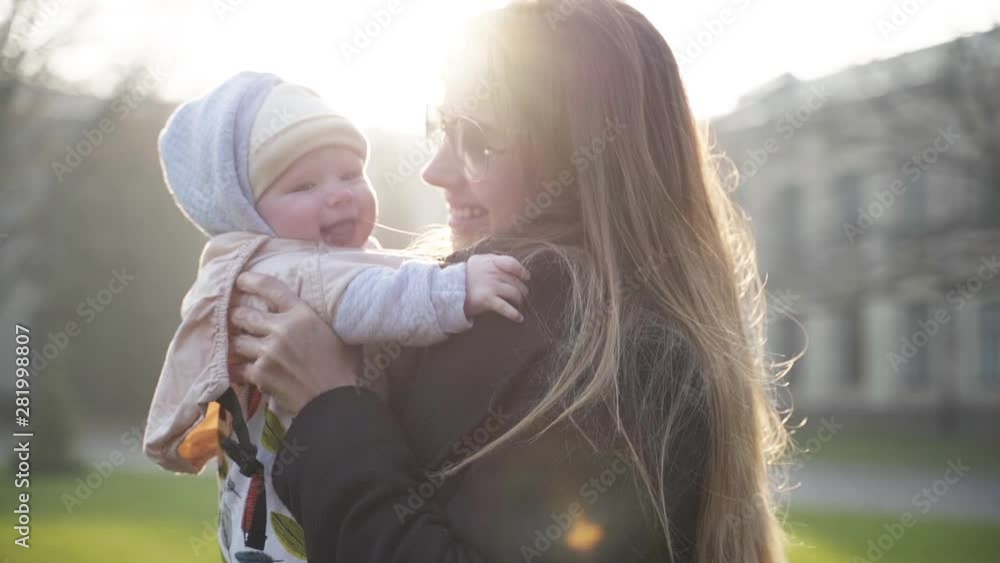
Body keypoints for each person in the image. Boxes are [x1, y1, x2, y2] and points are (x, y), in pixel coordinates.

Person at [229, 1, 792, 562]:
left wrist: (328, 407)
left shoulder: (614, 364)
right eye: (439, 129)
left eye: (477, 140)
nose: (435, 171)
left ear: (582, 164)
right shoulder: (450, 311)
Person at [142, 72, 531, 563]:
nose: (339, 194)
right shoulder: (284, 270)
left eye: (350, 174)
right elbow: (376, 299)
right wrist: (459, 287)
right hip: (301, 507)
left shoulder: (288, 260)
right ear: (245, 212)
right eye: (303, 185)